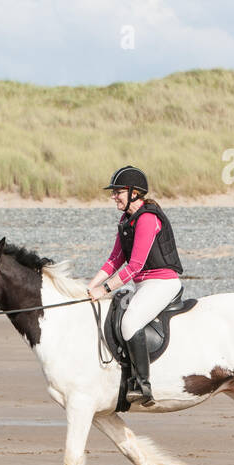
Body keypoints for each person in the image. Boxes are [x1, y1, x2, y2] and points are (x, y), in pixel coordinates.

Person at [86, 165, 184, 406]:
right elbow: (115, 260)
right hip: (145, 284)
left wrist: (105, 290)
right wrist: (90, 286)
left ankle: (143, 386)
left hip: (162, 283)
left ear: (134, 193)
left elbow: (134, 266)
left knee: (130, 323)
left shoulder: (148, 219)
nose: (113, 196)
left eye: (118, 192)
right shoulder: (126, 219)